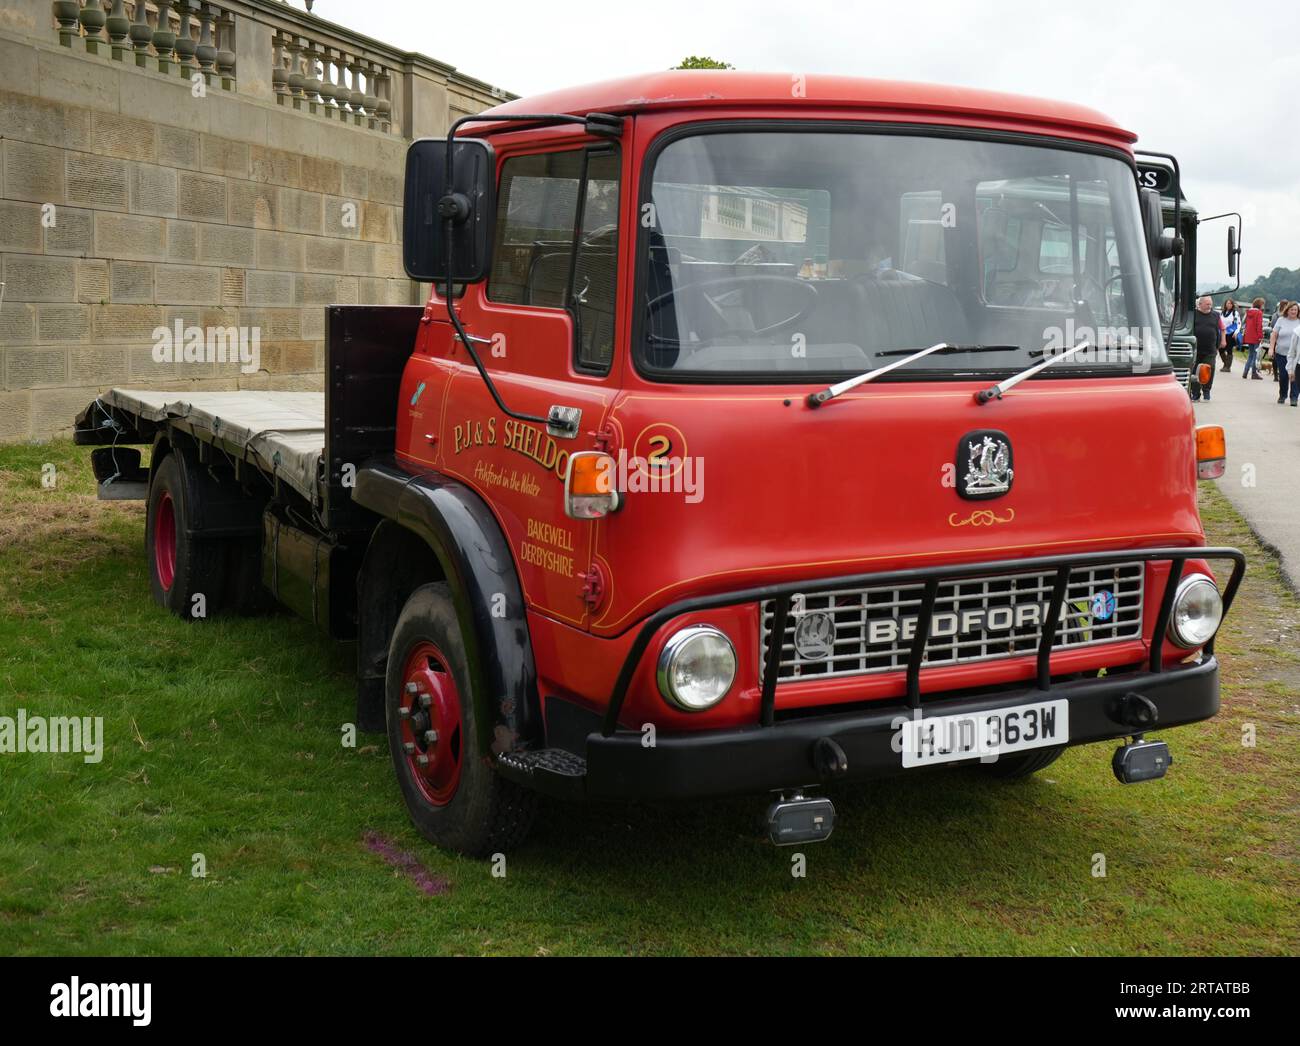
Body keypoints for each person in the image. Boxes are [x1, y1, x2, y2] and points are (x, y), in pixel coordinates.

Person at [1191, 295, 1225, 401]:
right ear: (1200, 304)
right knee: (1195, 370)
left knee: (1209, 369)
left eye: (1211, 304)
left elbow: (1222, 328)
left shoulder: (1216, 315)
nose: (1209, 306)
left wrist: (1223, 340)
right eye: (1207, 304)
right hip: (1196, 348)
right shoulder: (1193, 314)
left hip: (1210, 348)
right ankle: (1195, 393)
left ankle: (1206, 391)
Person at [1267, 301, 1300, 405]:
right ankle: (1282, 395)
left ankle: (1294, 397)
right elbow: (1274, 334)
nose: (1293, 311)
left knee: (1295, 375)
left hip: (1296, 355)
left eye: (1295, 310)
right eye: (1292, 309)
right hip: (1281, 353)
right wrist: (1271, 348)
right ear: (1287, 310)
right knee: (1284, 375)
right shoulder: (1281, 320)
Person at [1242, 297, 1266, 379]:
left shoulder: (1249, 312)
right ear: (1260, 304)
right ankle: (1254, 373)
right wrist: (1261, 337)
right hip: (1256, 336)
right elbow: (1259, 326)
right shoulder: (1259, 313)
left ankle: (1245, 372)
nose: (1263, 306)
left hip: (1248, 336)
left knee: (1250, 355)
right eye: (1263, 304)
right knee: (1255, 355)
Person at [1219, 298, 1240, 371]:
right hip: (1223, 333)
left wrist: (1236, 332)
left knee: (1229, 350)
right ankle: (1226, 364)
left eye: (1230, 303)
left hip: (1231, 333)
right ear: (1225, 304)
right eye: (1227, 303)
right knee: (1221, 349)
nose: (1229, 305)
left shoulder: (1235, 313)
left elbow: (1238, 324)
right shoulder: (1222, 313)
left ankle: (1227, 367)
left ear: (1232, 305)